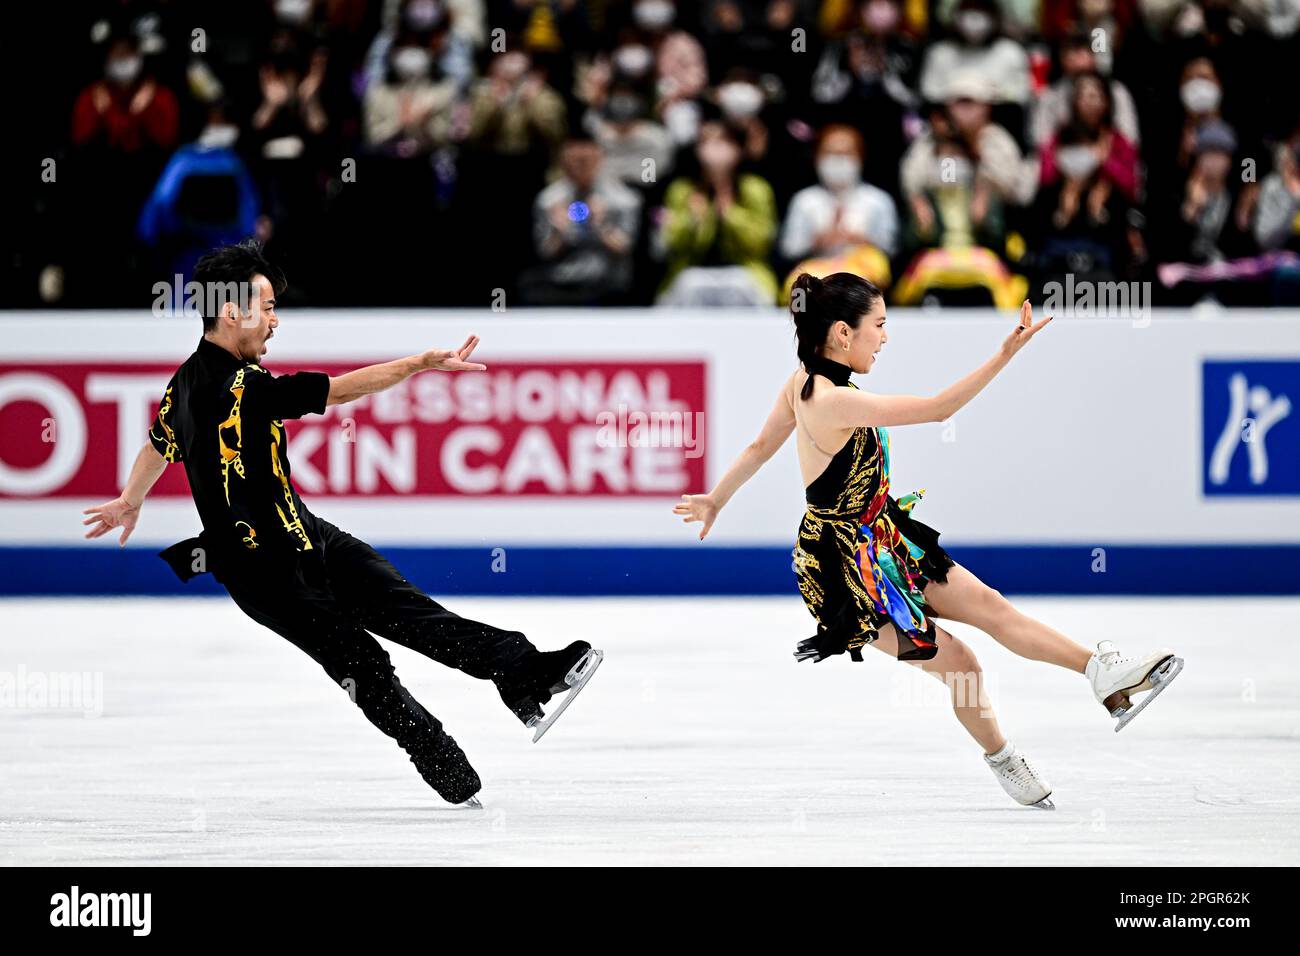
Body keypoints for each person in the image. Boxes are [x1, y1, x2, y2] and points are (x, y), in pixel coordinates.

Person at [80, 241, 602, 806]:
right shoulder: (241, 387)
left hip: (310, 537)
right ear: (231, 312)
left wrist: (130, 500)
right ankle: (444, 761)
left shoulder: (180, 385)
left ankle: (522, 673)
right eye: (268, 307)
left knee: (416, 615)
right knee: (366, 669)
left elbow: (160, 444)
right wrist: (418, 365)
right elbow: (340, 390)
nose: (275, 321)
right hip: (266, 576)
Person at [671, 273, 1184, 808]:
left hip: (886, 535)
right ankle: (1004, 760)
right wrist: (1005, 353)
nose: (886, 337)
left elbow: (758, 447)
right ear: (843, 334)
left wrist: (716, 500)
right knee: (961, 665)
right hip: (846, 572)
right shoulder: (829, 400)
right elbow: (940, 409)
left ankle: (1101, 674)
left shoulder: (804, 380)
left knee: (991, 607)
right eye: (880, 325)